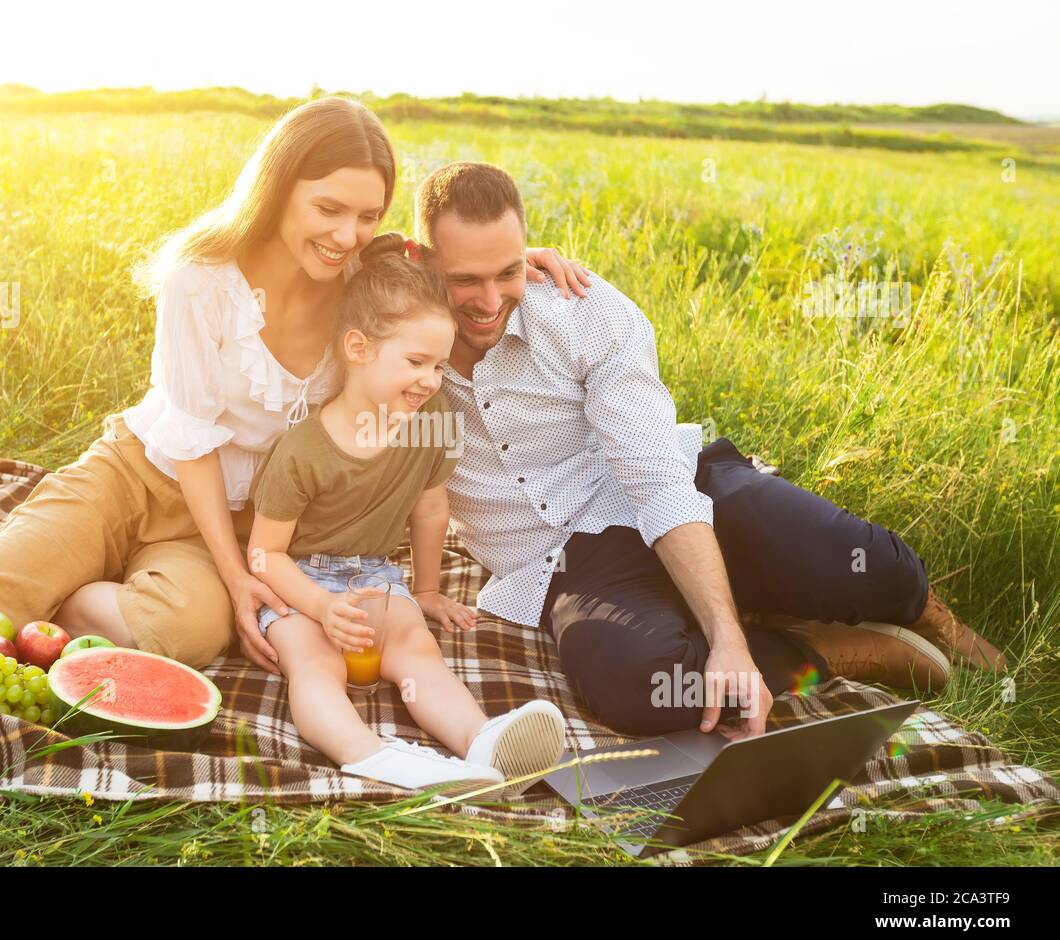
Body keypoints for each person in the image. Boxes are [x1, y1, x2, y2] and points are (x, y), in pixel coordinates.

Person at [0, 98, 589, 673]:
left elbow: (443, 284)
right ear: (280, 189)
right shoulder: (201, 278)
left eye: (367, 216)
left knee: (187, 636)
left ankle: (72, 587)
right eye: (328, 209)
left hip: (235, 519)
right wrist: (238, 572)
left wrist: (515, 262)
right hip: (138, 478)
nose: (346, 234)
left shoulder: (365, 287)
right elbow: (188, 441)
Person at [412, 161, 1010, 740]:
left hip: (669, 486)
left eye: (507, 271)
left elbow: (657, 482)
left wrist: (726, 638)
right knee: (641, 685)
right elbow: (327, 273)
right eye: (466, 278)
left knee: (858, 560)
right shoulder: (396, 333)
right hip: (561, 557)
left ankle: (931, 617)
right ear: (421, 260)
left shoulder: (584, 311)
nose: (490, 301)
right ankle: (833, 649)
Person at [246, 235, 567, 795]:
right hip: (300, 584)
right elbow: (264, 554)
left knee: (416, 649)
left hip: (374, 575)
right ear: (358, 347)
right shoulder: (302, 451)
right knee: (315, 663)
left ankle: (483, 743)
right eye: (416, 362)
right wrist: (322, 607)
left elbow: (430, 504)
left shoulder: (432, 417)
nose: (430, 380)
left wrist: (424, 589)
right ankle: (370, 755)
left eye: (440, 365)